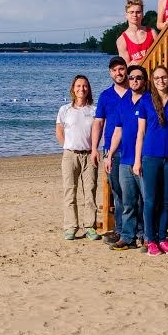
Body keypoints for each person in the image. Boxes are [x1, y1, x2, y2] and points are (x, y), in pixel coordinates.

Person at [132, 65, 168, 256]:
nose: (161, 80)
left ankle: (163, 238)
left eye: (164, 77)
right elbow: (140, 133)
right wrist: (137, 161)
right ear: (152, 80)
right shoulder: (145, 101)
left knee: (166, 202)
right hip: (150, 157)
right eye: (157, 78)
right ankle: (150, 240)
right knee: (150, 201)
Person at [106, 64, 147, 250]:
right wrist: (110, 154)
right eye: (131, 78)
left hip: (145, 158)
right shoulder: (123, 102)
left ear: (144, 81)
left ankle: (147, 236)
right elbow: (117, 130)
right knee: (128, 201)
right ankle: (127, 236)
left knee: (146, 200)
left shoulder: (150, 100)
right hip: (124, 159)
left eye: (138, 78)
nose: (134, 81)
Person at [91, 56, 129, 244]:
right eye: (114, 70)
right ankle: (120, 231)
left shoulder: (135, 92)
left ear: (126, 69)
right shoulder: (106, 96)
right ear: (110, 73)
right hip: (112, 152)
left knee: (135, 193)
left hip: (133, 150)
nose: (118, 73)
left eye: (121, 69)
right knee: (118, 192)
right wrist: (94, 149)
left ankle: (137, 231)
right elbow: (99, 123)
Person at [56, 75, 99, 240]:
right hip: (70, 155)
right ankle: (70, 227)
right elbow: (59, 131)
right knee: (70, 191)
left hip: (89, 155)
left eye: (85, 86)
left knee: (90, 191)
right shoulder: (65, 109)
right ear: (73, 89)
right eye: (78, 86)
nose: (82, 89)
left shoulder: (94, 110)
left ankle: (89, 226)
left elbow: (98, 130)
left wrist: (94, 149)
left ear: (89, 89)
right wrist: (67, 146)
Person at [115, 0, 157, 65]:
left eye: (138, 12)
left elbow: (160, 55)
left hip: (154, 73)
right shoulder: (121, 40)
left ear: (142, 14)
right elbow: (127, 66)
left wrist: (138, 62)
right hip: (136, 74)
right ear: (126, 15)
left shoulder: (152, 32)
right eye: (131, 12)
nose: (135, 15)